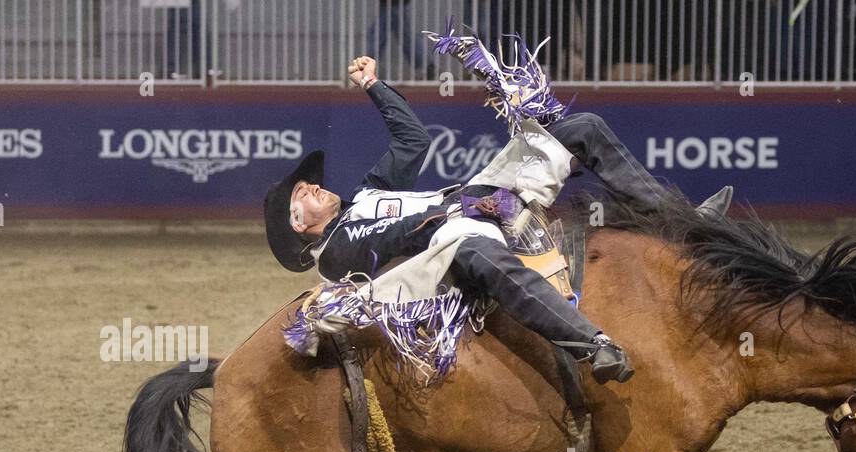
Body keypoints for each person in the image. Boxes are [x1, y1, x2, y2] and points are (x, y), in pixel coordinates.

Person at [264, 55, 666, 382]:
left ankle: (677, 219)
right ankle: (591, 344)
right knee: (479, 254)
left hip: (470, 200)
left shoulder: (367, 194)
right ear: (299, 224)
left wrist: (374, 86)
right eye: (303, 194)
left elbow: (413, 142)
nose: (313, 187)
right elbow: (390, 239)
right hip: (447, 244)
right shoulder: (334, 256)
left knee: (581, 128)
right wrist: (456, 210)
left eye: (308, 185)